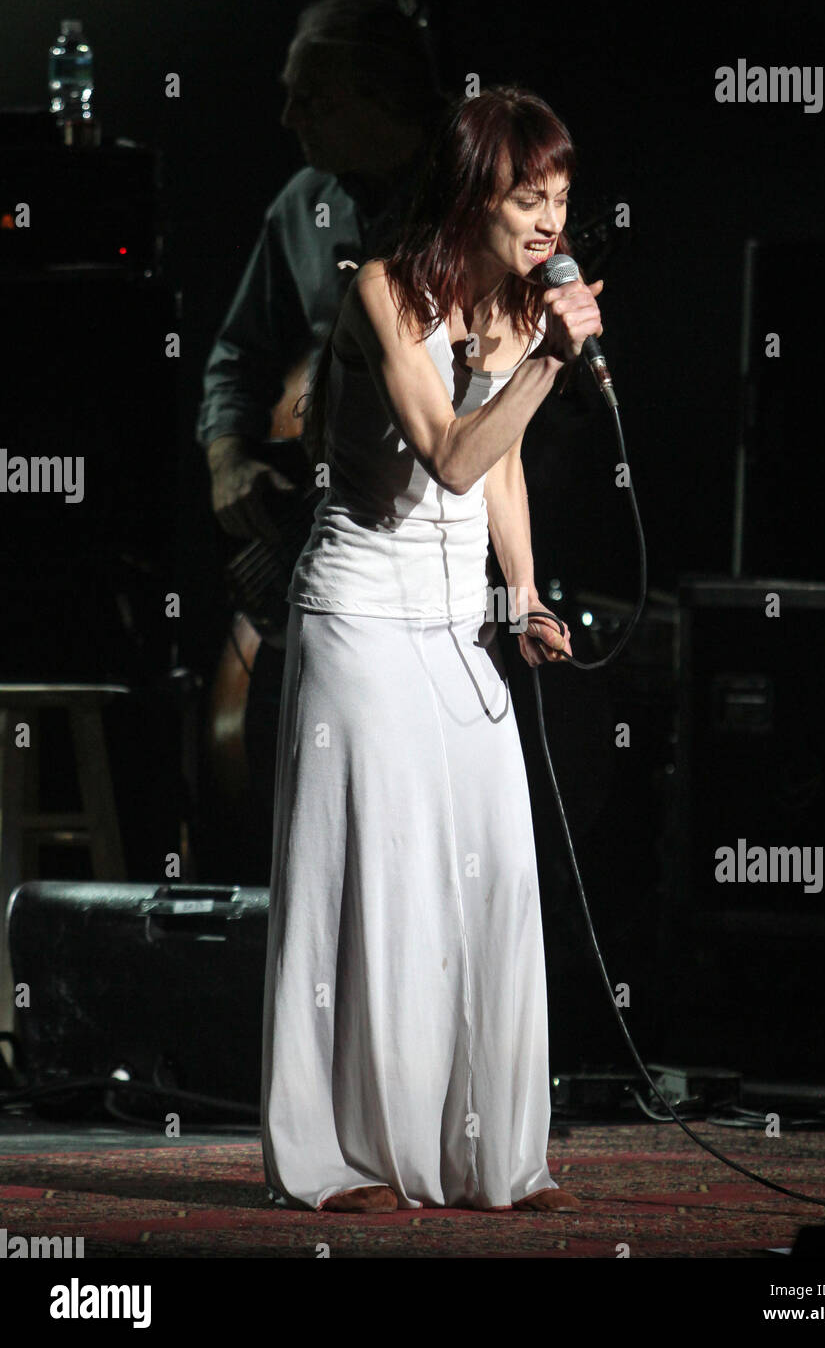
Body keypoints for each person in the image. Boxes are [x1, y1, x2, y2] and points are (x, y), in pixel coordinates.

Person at [260, 85, 604, 1214]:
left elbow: (500, 470)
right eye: (529, 198)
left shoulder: (511, 306)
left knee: (495, 874)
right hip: (361, 616)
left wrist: (523, 592)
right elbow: (452, 455)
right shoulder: (383, 292)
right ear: (474, 195)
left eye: (562, 197)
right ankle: (339, 1158)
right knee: (377, 890)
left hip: (458, 623)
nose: (553, 221)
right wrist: (551, 364)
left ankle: (491, 1154)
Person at [197, 0, 448, 833]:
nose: (287, 116)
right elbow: (236, 356)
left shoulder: (472, 201)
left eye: (316, 99)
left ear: (386, 101)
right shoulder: (301, 206)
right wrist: (231, 461)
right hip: (321, 548)